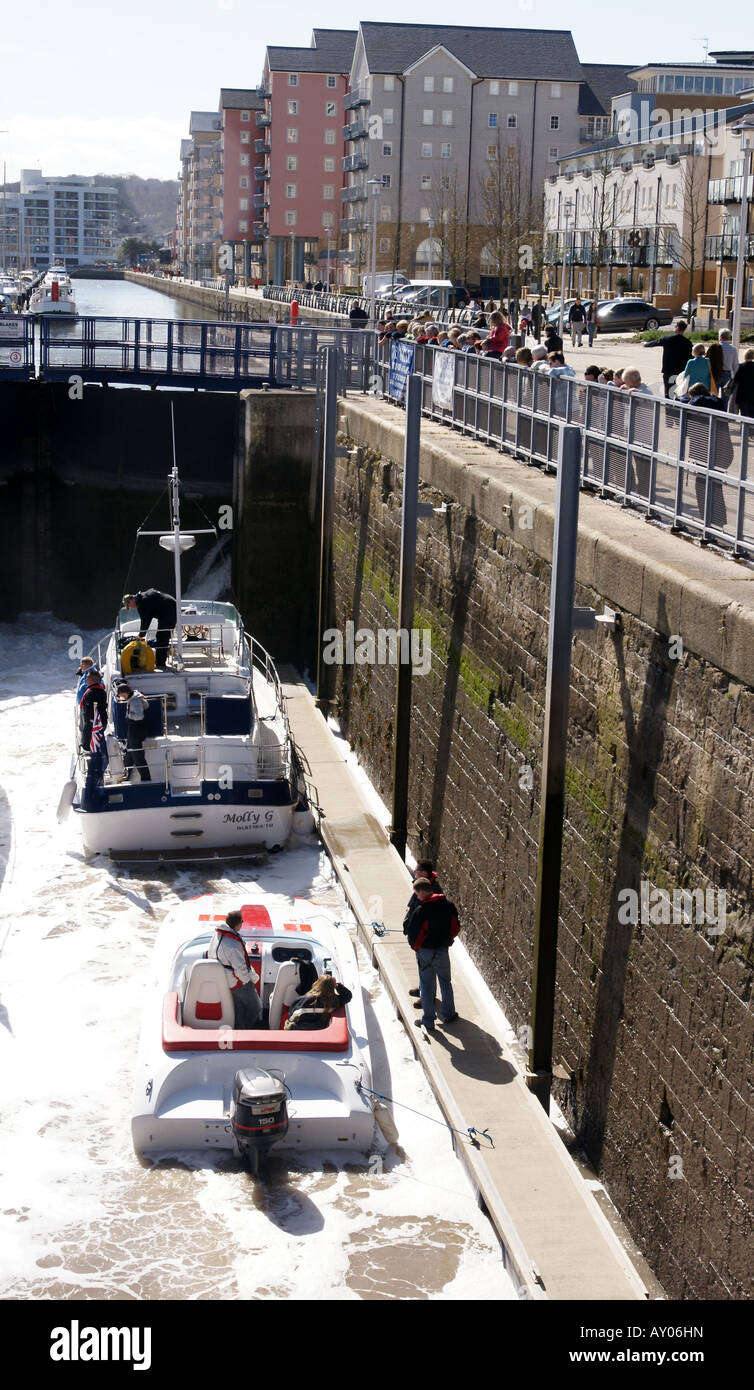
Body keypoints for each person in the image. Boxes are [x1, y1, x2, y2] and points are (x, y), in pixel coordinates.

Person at [404, 877, 460, 1029]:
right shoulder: (448, 906)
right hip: (442, 951)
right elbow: (456, 927)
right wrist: (447, 940)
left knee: (426, 986)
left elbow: (412, 933)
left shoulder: (421, 910)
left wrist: (417, 948)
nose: (416, 896)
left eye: (417, 893)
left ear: (422, 891)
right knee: (445, 982)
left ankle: (428, 1021)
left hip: (425, 953)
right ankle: (449, 1014)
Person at [208, 910, 262, 1030]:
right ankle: (243, 1030)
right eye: (241, 921)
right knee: (256, 1006)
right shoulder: (233, 945)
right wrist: (248, 982)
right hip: (236, 983)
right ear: (238, 924)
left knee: (238, 1009)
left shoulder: (217, 935)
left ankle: (239, 1030)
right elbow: (240, 970)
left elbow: (210, 953)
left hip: (222, 979)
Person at [123, 590, 177, 671]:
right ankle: (161, 660)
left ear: (132, 600)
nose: (131, 608)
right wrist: (141, 635)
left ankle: (160, 664)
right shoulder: (143, 597)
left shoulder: (142, 603)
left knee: (162, 637)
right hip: (171, 605)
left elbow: (145, 622)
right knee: (163, 637)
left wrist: (140, 636)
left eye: (129, 605)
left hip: (168, 609)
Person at [285, 973, 352, 1030]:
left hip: (300, 1030)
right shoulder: (334, 1001)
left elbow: (291, 1017)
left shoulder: (302, 999)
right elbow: (348, 996)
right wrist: (337, 985)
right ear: (332, 987)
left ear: (317, 983)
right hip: (319, 1030)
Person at [116, 681, 151, 783]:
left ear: (124, 693)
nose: (120, 697)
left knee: (137, 756)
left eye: (120, 695)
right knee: (129, 754)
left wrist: (129, 715)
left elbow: (139, 716)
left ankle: (146, 779)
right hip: (133, 730)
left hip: (137, 731)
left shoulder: (134, 701)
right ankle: (126, 776)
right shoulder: (133, 698)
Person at [655, 319, 692, 399]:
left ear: (677, 327)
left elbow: (656, 342)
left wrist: (646, 344)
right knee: (679, 391)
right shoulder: (688, 343)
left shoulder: (668, 339)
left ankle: (669, 407)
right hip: (680, 371)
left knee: (668, 391)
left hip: (669, 370)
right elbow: (690, 357)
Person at [727, 348, 754, 418]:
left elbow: (735, 380)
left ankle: (744, 429)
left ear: (745, 356)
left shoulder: (741, 367)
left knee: (744, 416)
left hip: (742, 396)